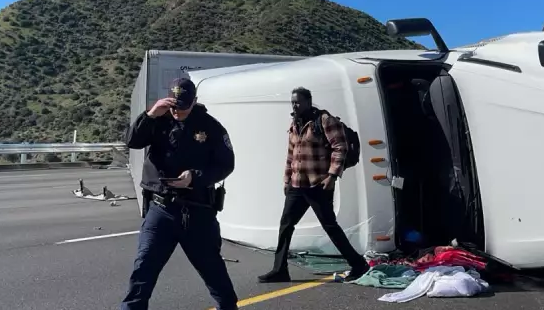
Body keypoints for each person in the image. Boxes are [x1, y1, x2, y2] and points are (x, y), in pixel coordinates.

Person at [120, 78, 239, 310]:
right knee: (143, 270)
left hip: (196, 211)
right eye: (174, 106)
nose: (177, 112)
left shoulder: (211, 126)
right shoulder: (157, 120)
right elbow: (132, 141)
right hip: (161, 209)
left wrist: (195, 177)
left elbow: (226, 165)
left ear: (194, 101)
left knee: (213, 272)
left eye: (183, 107)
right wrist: (151, 114)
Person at [258, 86, 370, 283]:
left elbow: (340, 147)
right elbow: (291, 154)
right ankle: (279, 269)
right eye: (293, 101)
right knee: (286, 225)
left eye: (298, 101)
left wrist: (332, 175)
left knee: (330, 226)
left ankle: (359, 265)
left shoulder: (324, 121)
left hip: (319, 184)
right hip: (297, 185)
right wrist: (286, 179)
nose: (295, 105)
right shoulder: (295, 123)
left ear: (309, 102)